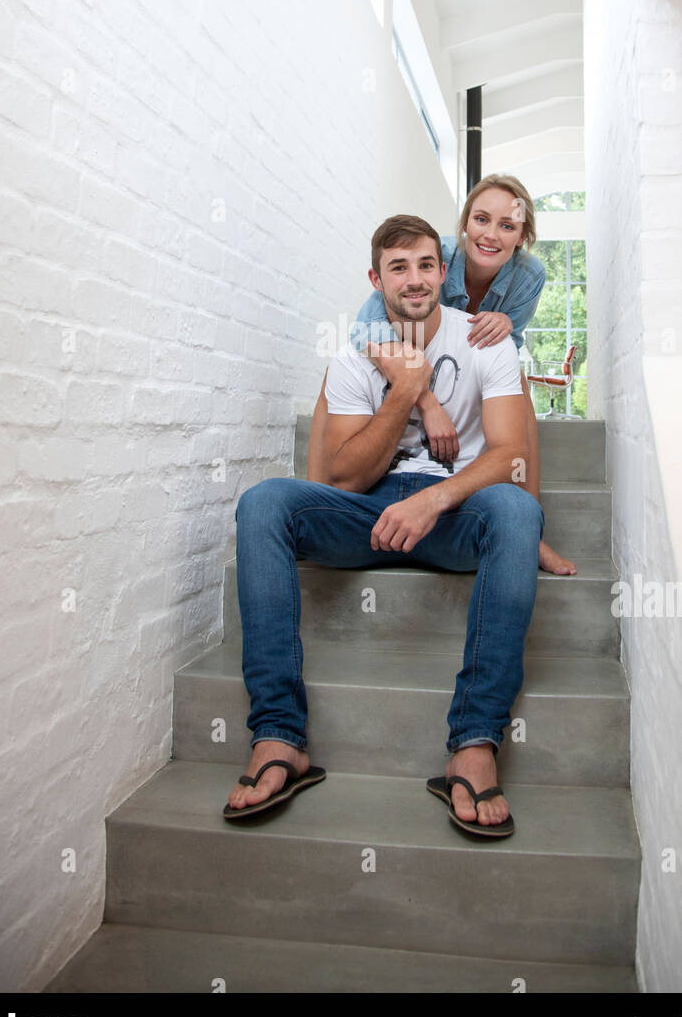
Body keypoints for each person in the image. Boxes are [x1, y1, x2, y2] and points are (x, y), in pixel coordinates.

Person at [224, 215, 545, 838]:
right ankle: (279, 736)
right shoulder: (353, 359)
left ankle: (475, 739)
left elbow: (509, 453)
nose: (415, 279)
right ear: (377, 279)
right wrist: (406, 391)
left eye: (426, 264)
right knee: (264, 502)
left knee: (518, 509)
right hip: (367, 513)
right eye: (398, 268)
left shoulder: (488, 343)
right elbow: (343, 480)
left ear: (443, 271)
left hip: (453, 514)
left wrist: (433, 502)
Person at [305, 174, 576, 575]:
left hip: (464, 365)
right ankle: (318, 495)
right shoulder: (432, 255)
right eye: (481, 220)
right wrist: (427, 402)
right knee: (336, 370)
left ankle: (530, 531)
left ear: (522, 237)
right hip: (403, 347)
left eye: (508, 226)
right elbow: (367, 333)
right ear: (464, 224)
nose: (491, 234)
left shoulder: (529, 277)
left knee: (516, 381)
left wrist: (502, 322)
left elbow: (506, 342)